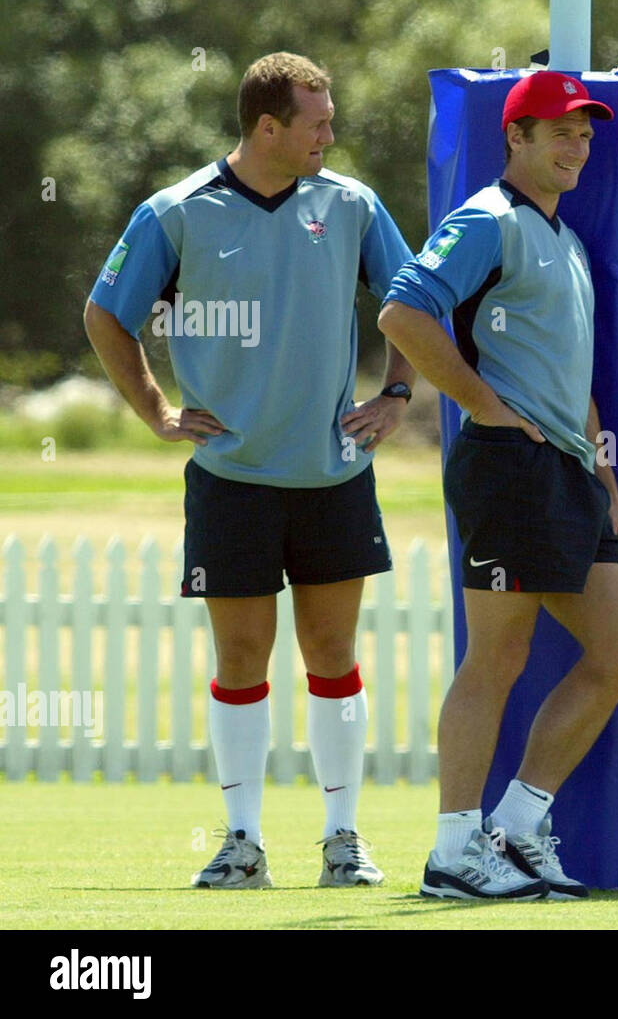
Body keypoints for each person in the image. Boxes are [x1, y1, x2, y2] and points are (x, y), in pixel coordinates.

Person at [84, 53, 416, 888]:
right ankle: (242, 843)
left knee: (334, 651)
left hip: (334, 475)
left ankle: (344, 841)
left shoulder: (352, 205)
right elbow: (106, 314)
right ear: (268, 127)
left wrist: (398, 393)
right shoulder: (177, 212)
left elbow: (414, 300)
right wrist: (157, 412)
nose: (330, 136)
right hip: (230, 479)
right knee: (241, 658)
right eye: (318, 123)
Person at [379, 71, 618, 901]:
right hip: (509, 469)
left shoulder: (562, 237)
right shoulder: (488, 220)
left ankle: (522, 824)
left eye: (584, 133)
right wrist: (485, 408)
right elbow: (402, 312)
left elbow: (574, 371)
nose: (577, 146)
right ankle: (453, 851)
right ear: (516, 139)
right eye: (557, 131)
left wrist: (601, 471)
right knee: (496, 655)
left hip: (566, 473)